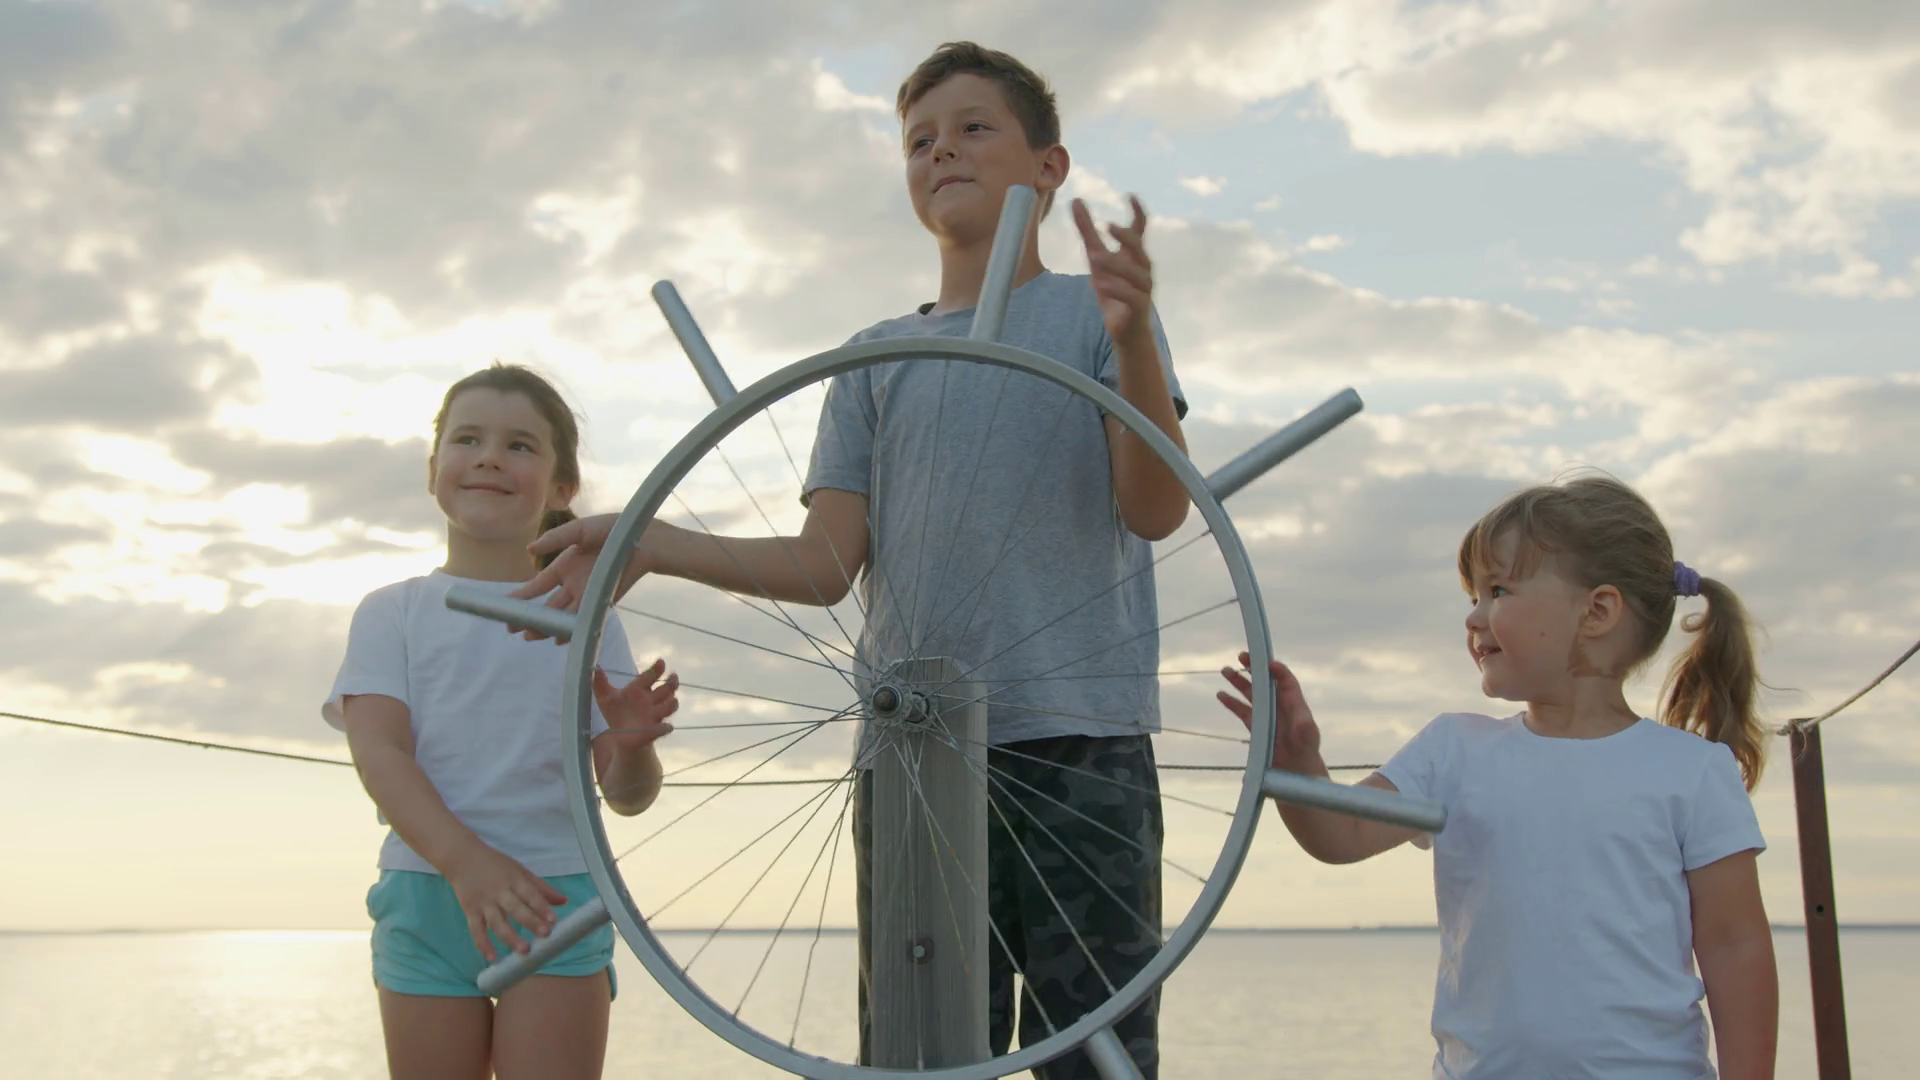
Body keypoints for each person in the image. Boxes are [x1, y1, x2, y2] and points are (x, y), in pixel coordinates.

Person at [511, 41, 1189, 1080]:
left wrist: (1136, 339)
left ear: (1049, 169)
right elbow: (828, 563)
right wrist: (652, 541)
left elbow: (1156, 507)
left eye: (973, 128)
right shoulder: (873, 360)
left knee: (1097, 1058)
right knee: (915, 1053)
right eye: (919, 139)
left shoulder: (1095, 320)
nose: (941, 152)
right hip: (910, 753)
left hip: (1079, 739)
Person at [1218, 473, 1778, 1079]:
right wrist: (1299, 764)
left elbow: (1733, 945)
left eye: (1498, 590)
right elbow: (1338, 836)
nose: (1475, 617)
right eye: (1472, 597)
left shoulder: (1691, 771)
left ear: (1597, 610)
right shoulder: (1454, 750)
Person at [323, 363, 679, 1080]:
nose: (488, 456)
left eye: (520, 445)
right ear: (433, 471)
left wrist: (635, 748)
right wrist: (467, 864)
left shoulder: (591, 620)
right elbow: (381, 756)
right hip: (429, 895)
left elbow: (626, 795)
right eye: (468, 439)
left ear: (560, 489)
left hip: (558, 900)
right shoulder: (390, 611)